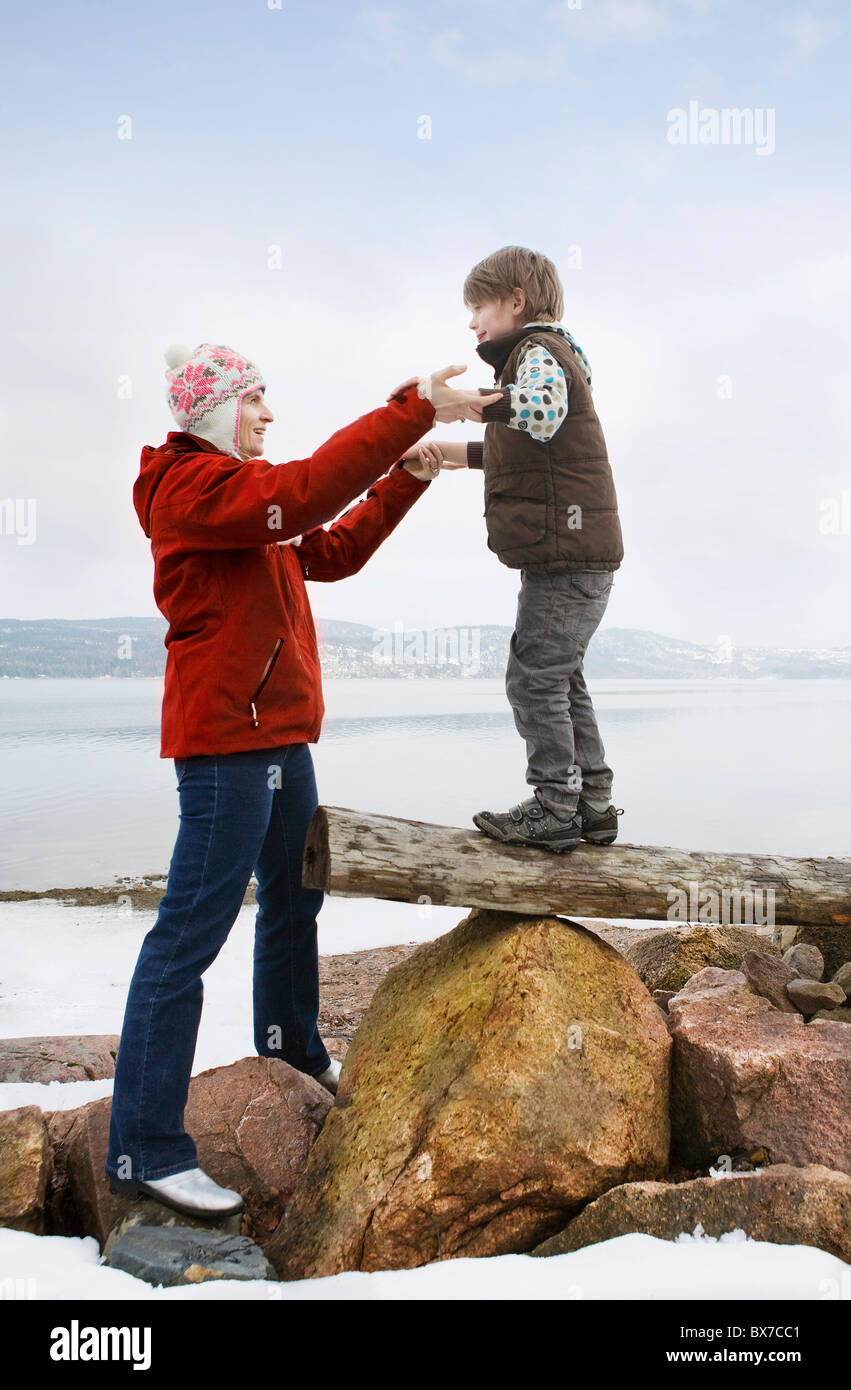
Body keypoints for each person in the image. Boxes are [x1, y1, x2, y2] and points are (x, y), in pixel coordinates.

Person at [105, 342, 498, 1218]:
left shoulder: (250, 509)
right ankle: (146, 1150)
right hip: (224, 750)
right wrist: (415, 407)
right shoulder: (195, 491)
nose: (268, 413)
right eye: (254, 399)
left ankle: (288, 1052)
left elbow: (331, 548)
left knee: (294, 899)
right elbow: (304, 490)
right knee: (186, 938)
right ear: (211, 410)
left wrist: (409, 476)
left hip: (281, 739)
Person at [409, 246, 625, 852]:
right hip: (577, 554)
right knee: (562, 679)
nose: (472, 322)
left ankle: (555, 805)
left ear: (516, 302)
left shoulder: (537, 353)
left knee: (533, 680)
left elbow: (540, 412)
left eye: (478, 306)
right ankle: (593, 806)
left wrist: (464, 402)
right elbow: (526, 449)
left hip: (566, 557)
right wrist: (444, 454)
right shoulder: (549, 356)